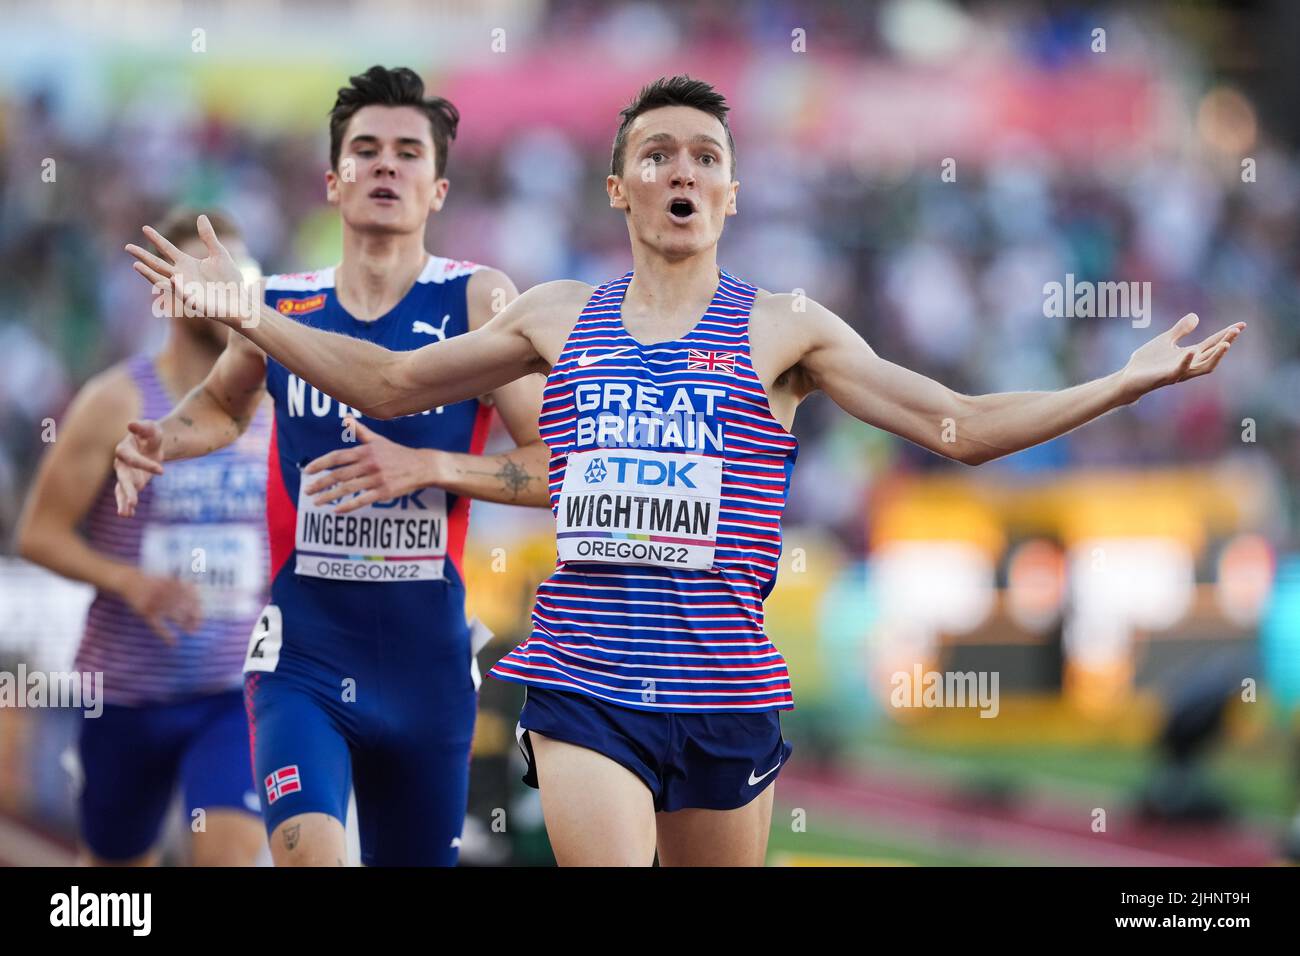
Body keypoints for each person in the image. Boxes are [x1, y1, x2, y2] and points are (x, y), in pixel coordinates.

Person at [123, 75, 1245, 866]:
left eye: (705, 157)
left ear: (730, 196)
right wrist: (252, 311)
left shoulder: (786, 329)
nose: (681, 170)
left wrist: (1121, 383)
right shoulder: (554, 317)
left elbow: (956, 424)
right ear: (620, 188)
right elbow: (381, 379)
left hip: (726, 692)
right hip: (581, 679)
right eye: (655, 153)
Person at [115, 66, 550, 866]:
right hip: (304, 661)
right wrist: (160, 439)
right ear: (332, 180)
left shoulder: (481, 304)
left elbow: (560, 469)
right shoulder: (282, 305)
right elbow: (222, 407)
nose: (386, 165)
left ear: (440, 188)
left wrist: (430, 467)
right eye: (366, 150)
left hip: (427, 672)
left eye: (408, 152)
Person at [16, 208, 268, 866]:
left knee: (232, 855)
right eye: (205, 275)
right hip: (128, 688)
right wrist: (133, 583)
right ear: (168, 292)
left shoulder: (272, 402)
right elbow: (39, 534)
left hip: (232, 688)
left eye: (236, 274)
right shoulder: (116, 401)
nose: (225, 289)